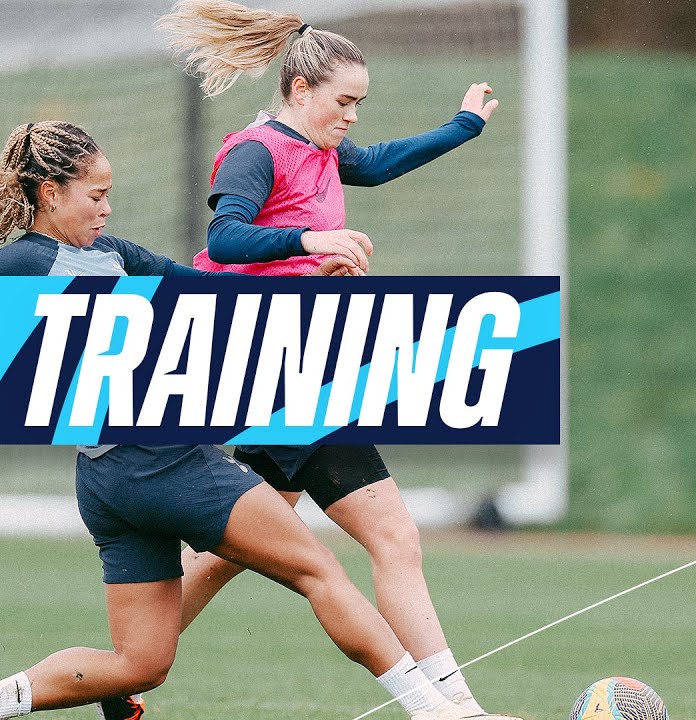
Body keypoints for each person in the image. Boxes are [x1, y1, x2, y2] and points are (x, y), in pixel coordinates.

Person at [0, 120, 487, 720]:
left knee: (140, 664)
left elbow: (209, 285)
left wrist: (307, 259)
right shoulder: (25, 262)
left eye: (108, 194)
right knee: (319, 571)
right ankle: (435, 710)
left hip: (108, 486)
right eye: (94, 195)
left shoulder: (114, 254)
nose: (105, 207)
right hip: (169, 461)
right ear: (49, 192)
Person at [151, 3, 517, 720]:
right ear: (299, 90)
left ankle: (126, 668)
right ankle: (455, 712)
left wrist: (463, 127)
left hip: (303, 365)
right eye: (343, 101)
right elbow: (225, 240)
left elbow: (376, 165)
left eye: (360, 103)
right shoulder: (257, 151)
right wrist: (309, 247)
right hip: (265, 366)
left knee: (277, 545)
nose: (352, 116)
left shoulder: (315, 150)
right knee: (367, 538)